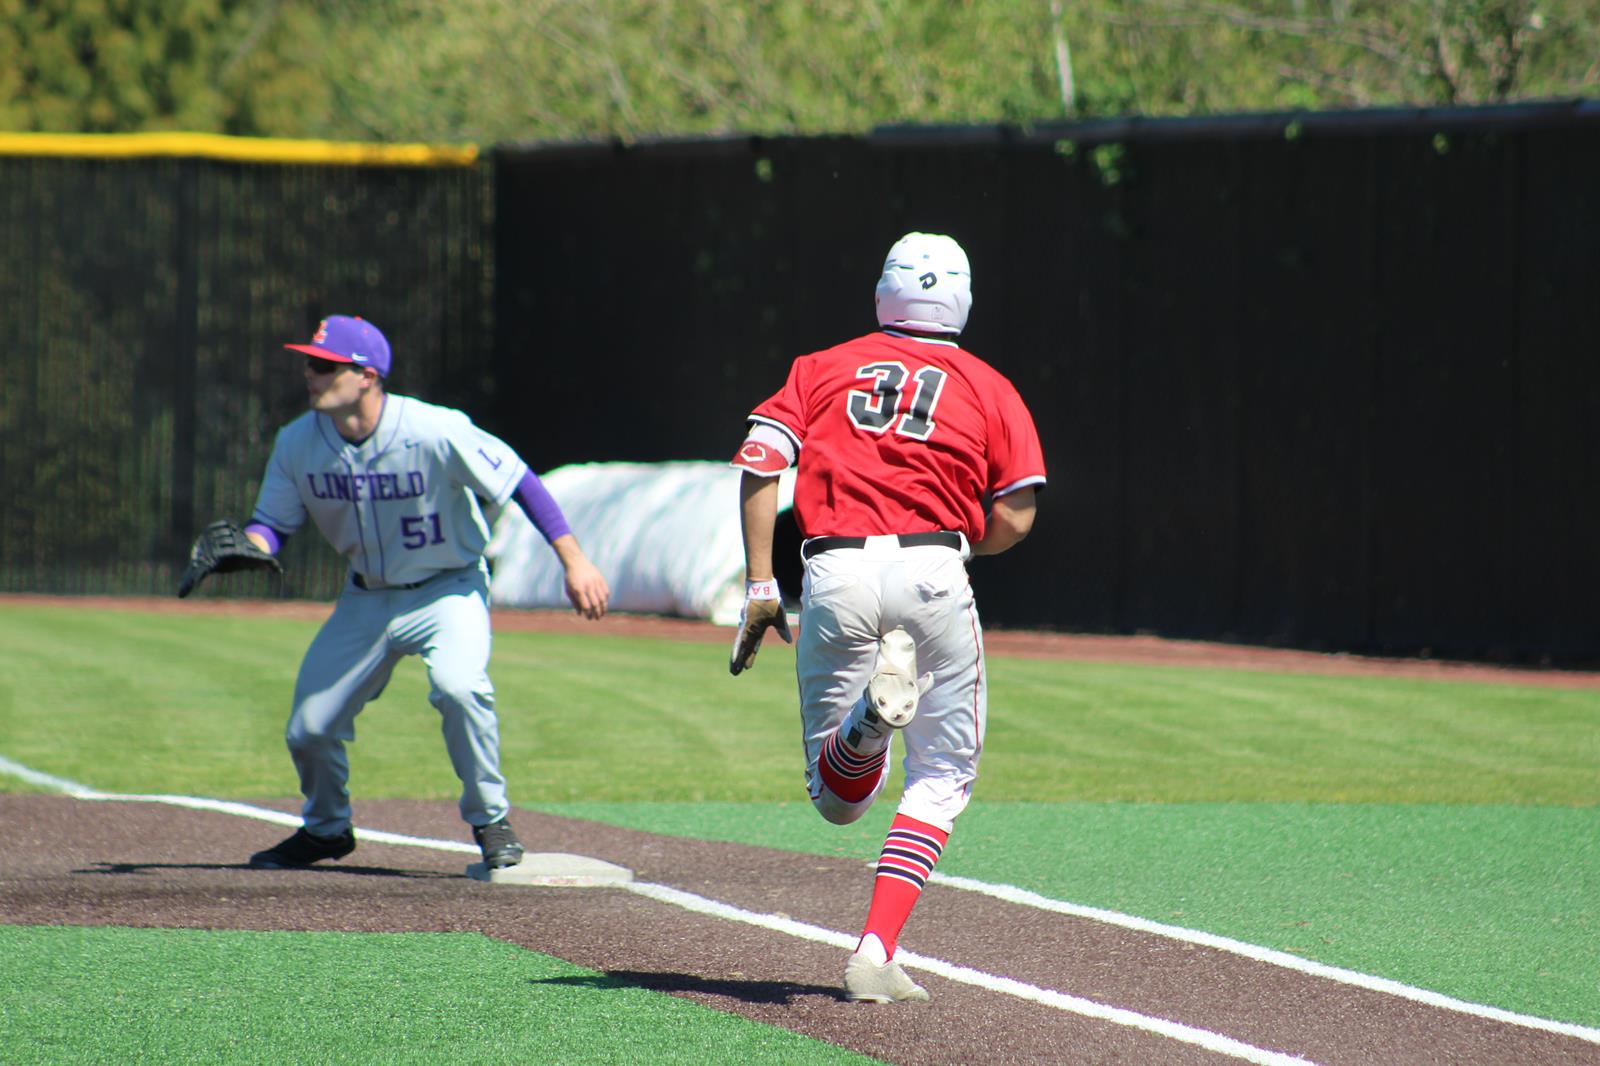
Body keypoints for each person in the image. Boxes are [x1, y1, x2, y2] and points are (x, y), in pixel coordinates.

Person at [729, 232, 1045, 1003]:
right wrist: (964, 542)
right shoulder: (989, 385)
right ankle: (876, 947)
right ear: (962, 300)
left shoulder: (821, 366)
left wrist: (761, 583)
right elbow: (1018, 511)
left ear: (883, 293)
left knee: (839, 803)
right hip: (933, 567)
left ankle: (868, 727)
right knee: (940, 777)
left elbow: (761, 461)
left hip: (834, 568)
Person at [241, 314, 610, 870]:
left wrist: (574, 559)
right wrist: (248, 546)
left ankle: (489, 819)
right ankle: (326, 830)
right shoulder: (296, 443)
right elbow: (271, 525)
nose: (309, 375)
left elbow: (518, 480)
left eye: (323, 365)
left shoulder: (435, 429)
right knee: (309, 728)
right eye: (309, 364)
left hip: (447, 590)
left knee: (459, 688)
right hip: (365, 597)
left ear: (365, 375)